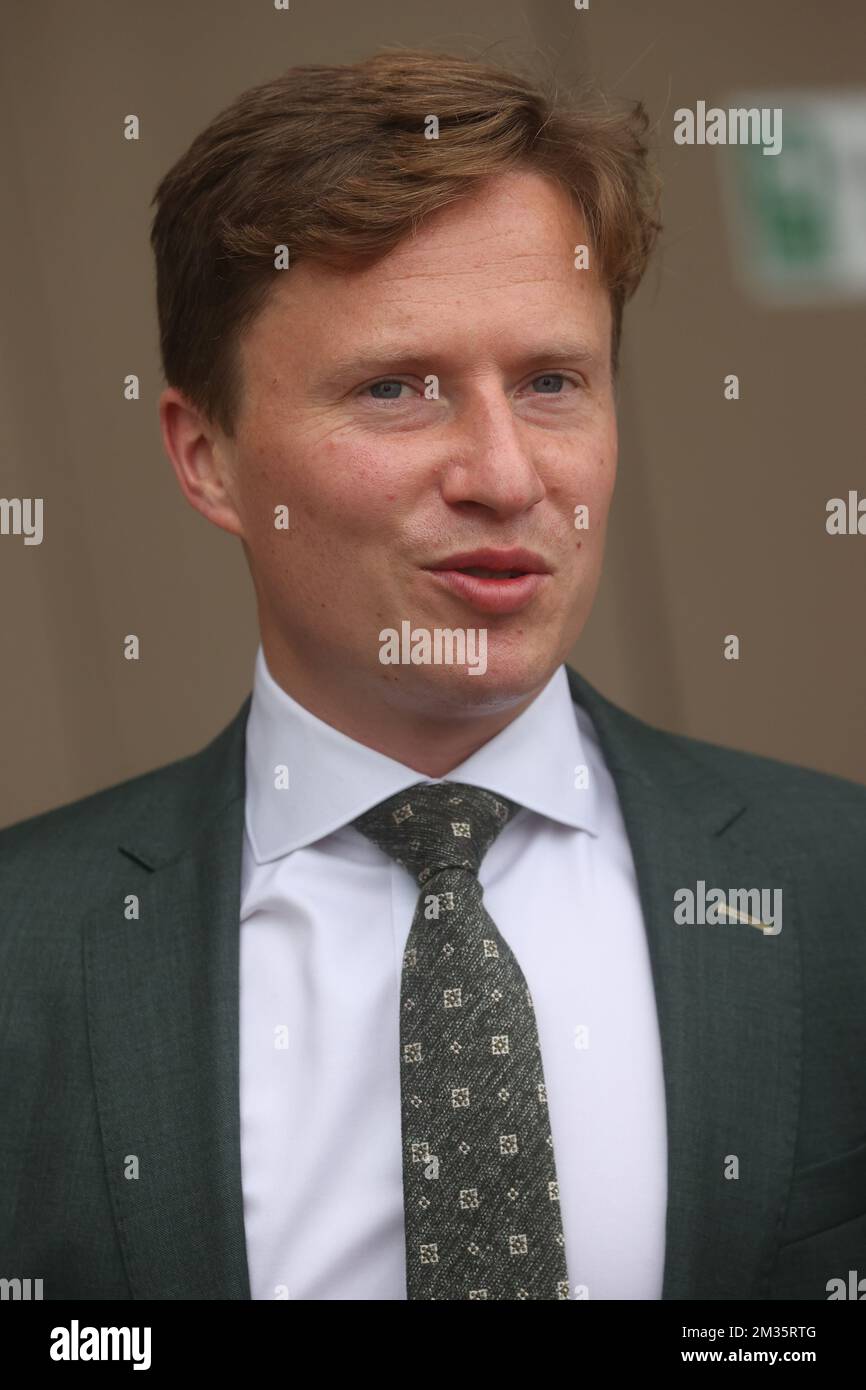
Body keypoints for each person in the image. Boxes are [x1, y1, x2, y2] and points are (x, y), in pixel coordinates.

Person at [1, 49, 864, 1303]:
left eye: (551, 382)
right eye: (397, 389)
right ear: (207, 456)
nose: (506, 477)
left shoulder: (835, 885)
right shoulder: (27, 956)